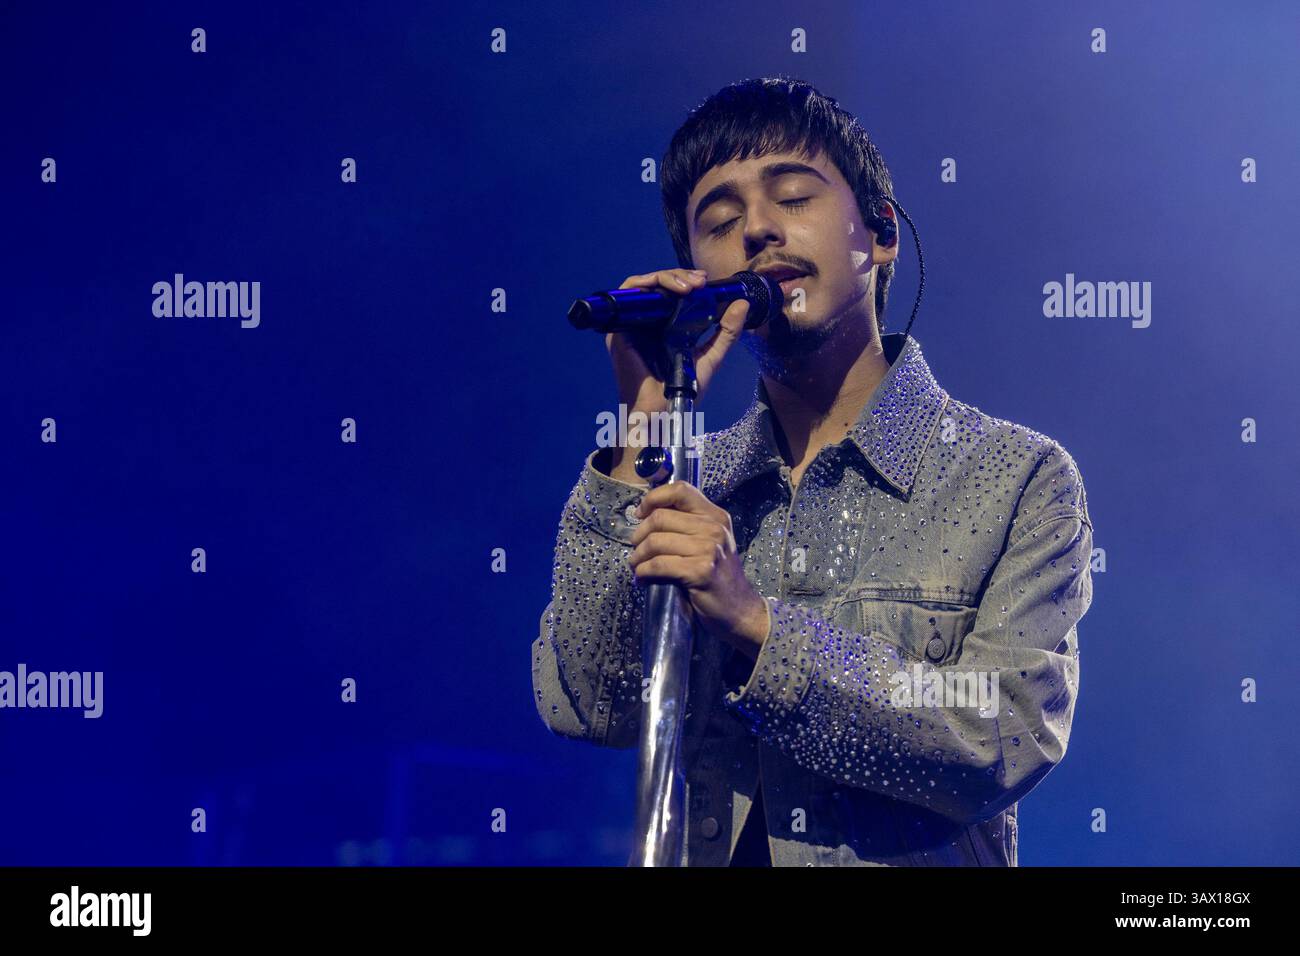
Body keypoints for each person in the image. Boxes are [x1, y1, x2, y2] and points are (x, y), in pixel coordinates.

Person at [532, 76, 1095, 866]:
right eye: (720, 221)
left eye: (792, 197)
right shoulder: (690, 478)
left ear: (881, 233)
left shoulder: (1014, 478)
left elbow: (1000, 737)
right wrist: (640, 434)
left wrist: (757, 626)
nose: (757, 229)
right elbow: (592, 705)